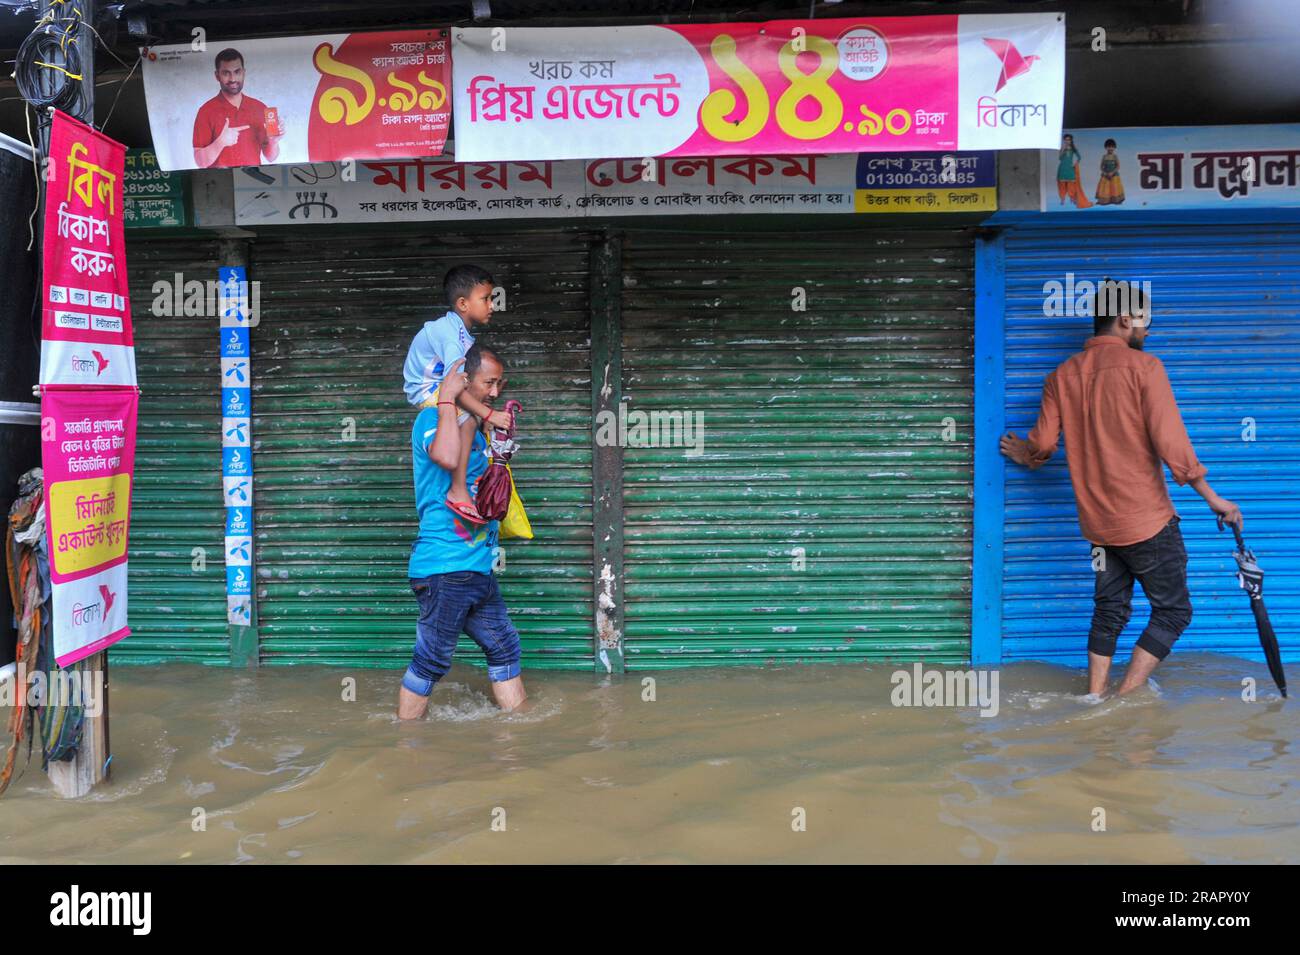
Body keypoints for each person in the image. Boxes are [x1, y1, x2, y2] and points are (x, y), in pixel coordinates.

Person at [1000, 280, 1242, 696]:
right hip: (1146, 520)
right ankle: (1124, 697)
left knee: (1109, 610)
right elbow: (1172, 445)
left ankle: (1093, 697)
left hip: (1098, 527)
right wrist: (1214, 499)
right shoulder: (1146, 369)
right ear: (1126, 319)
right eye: (1145, 322)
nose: (1148, 331)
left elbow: (1042, 443)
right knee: (1174, 611)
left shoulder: (1061, 377)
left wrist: (1027, 456)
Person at [398, 345, 526, 720]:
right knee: (432, 661)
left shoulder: (476, 430)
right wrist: (450, 402)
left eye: (500, 383)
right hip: (445, 567)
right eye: (489, 382)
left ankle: (521, 732)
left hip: (476, 567)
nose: (496, 392)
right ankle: (403, 745)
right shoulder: (431, 421)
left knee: (504, 647)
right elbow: (447, 458)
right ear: (463, 381)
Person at [402, 265, 512, 524]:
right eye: (485, 299)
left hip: (439, 385)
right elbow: (455, 385)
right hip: (426, 389)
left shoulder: (463, 335)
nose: (492, 306)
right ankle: (458, 490)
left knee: (472, 418)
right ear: (463, 303)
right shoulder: (451, 336)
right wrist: (489, 414)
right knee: (467, 418)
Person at [192, 48, 284, 168]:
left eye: (237, 72)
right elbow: (200, 163)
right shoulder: (206, 111)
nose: (233, 79)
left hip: (254, 179)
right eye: (226, 73)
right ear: (217, 76)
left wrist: (273, 141)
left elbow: (271, 157)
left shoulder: (260, 108)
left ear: (243, 72)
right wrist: (220, 143)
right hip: (221, 182)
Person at [1055, 134, 1093, 209]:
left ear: (1071, 140)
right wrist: (1063, 149)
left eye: (1069, 139)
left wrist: (1075, 163)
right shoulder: (1062, 148)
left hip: (1070, 168)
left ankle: (1072, 198)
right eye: (1066, 139)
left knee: (1071, 185)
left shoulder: (1073, 148)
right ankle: (1062, 199)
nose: (1067, 141)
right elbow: (1060, 158)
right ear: (1064, 140)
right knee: (1062, 185)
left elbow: (1079, 157)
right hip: (1062, 168)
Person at [1095, 138, 1126, 205]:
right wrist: (1104, 172)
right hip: (1105, 175)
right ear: (1106, 147)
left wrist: (1112, 172)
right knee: (1105, 188)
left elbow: (1118, 166)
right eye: (1109, 147)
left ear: (1114, 147)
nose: (1110, 148)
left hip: (1114, 175)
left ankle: (1116, 200)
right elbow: (1101, 166)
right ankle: (1104, 201)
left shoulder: (1115, 156)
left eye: (1112, 147)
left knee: (1114, 187)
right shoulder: (1104, 156)